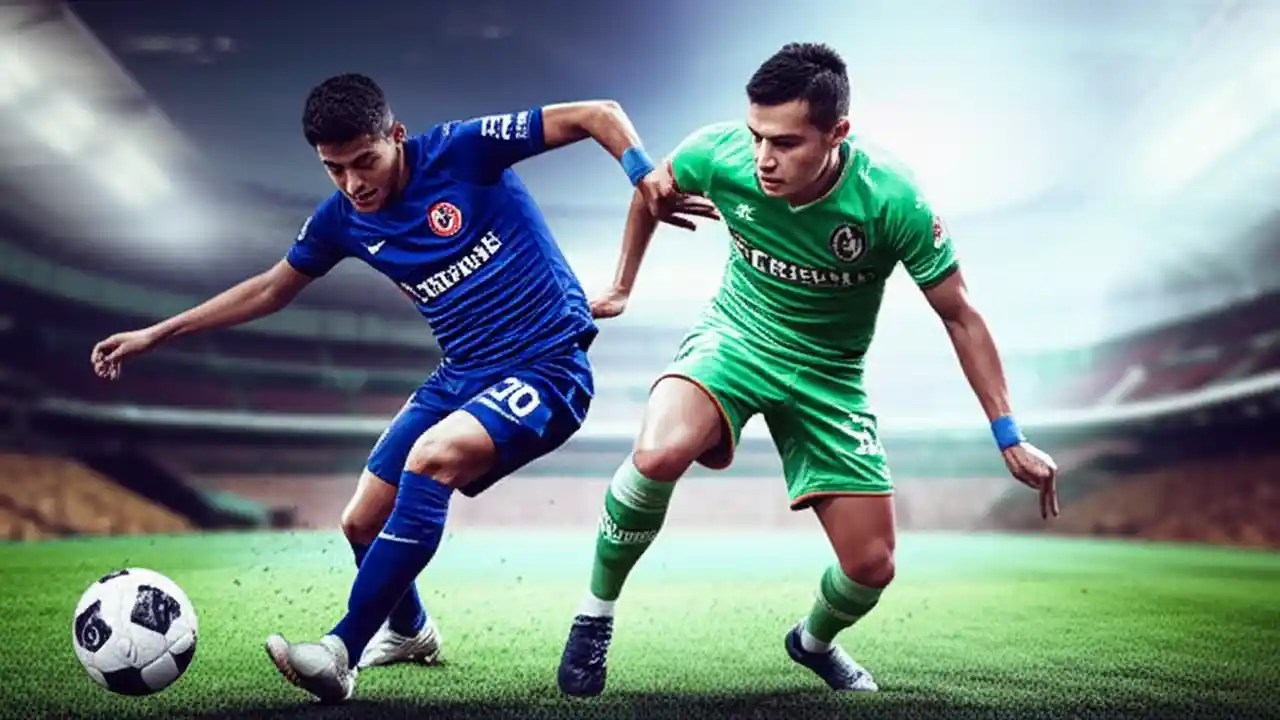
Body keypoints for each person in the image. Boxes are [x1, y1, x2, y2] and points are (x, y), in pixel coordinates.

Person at [89, 73, 715, 703]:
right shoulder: (340, 220)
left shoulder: (462, 151)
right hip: (461, 374)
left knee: (431, 458)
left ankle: (339, 651)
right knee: (361, 521)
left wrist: (644, 175)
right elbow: (270, 288)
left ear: (396, 135)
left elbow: (596, 113)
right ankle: (412, 632)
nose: (354, 182)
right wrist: (158, 333)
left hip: (547, 365)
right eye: (335, 169)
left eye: (366, 161)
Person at [555, 42, 1059, 696]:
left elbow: (960, 314)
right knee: (657, 453)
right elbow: (654, 191)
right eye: (756, 135)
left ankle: (812, 642)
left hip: (829, 375)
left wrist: (1009, 433)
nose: (763, 158)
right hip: (735, 338)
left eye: (786, 142)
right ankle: (594, 617)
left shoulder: (891, 199)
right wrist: (622, 285)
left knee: (872, 567)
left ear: (837, 133)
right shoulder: (720, 153)